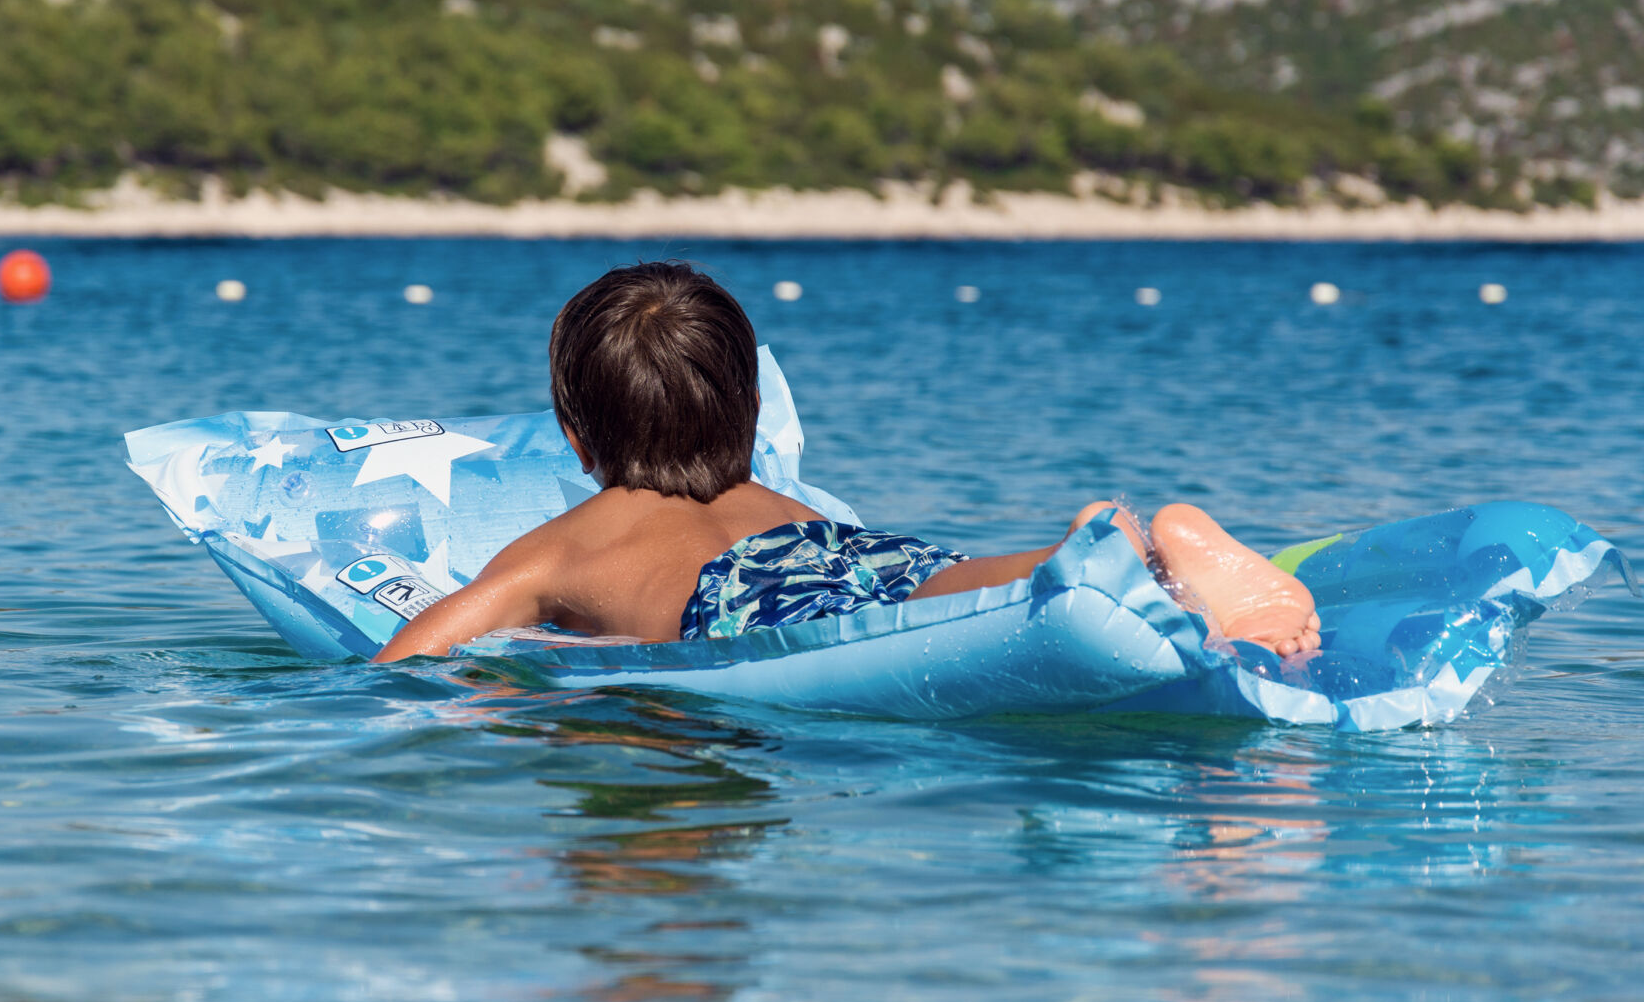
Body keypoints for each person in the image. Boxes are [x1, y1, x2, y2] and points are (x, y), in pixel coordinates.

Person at [374, 262, 1322, 663]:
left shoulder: (555, 554)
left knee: (879, 617)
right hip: (850, 547)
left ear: (577, 436)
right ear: (749, 408)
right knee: (940, 583)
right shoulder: (779, 499)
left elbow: (404, 666)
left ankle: (1104, 560)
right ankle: (1106, 548)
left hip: (740, 601)